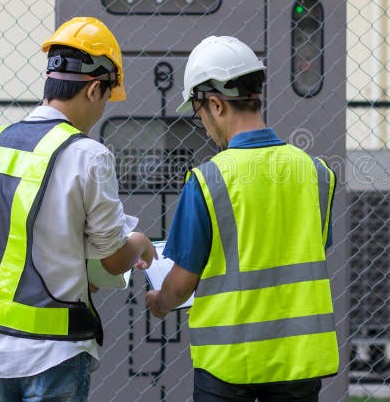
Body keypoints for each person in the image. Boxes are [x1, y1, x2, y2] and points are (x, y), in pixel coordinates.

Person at [0, 16, 155, 401]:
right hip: (55, 352)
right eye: (105, 98)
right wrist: (139, 242)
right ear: (93, 89)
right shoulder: (89, 155)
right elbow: (114, 259)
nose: (102, 110)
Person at [145, 36, 339, 401]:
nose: (202, 124)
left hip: (229, 366)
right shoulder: (316, 174)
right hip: (299, 364)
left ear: (215, 104)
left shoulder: (207, 181)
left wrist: (159, 302)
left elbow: (183, 283)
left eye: (199, 112)